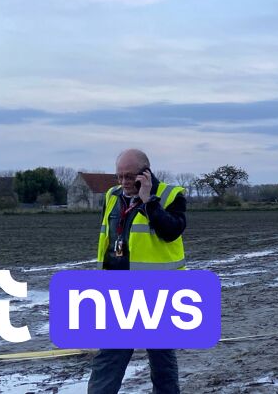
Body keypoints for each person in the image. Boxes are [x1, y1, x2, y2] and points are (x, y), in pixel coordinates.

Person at [87, 148, 188, 394]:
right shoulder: (112, 196)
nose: (123, 182)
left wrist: (148, 201)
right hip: (119, 291)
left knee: (162, 360)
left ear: (146, 173)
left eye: (129, 177)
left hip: (158, 293)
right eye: (119, 176)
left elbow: (171, 231)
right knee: (109, 358)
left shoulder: (170, 195)